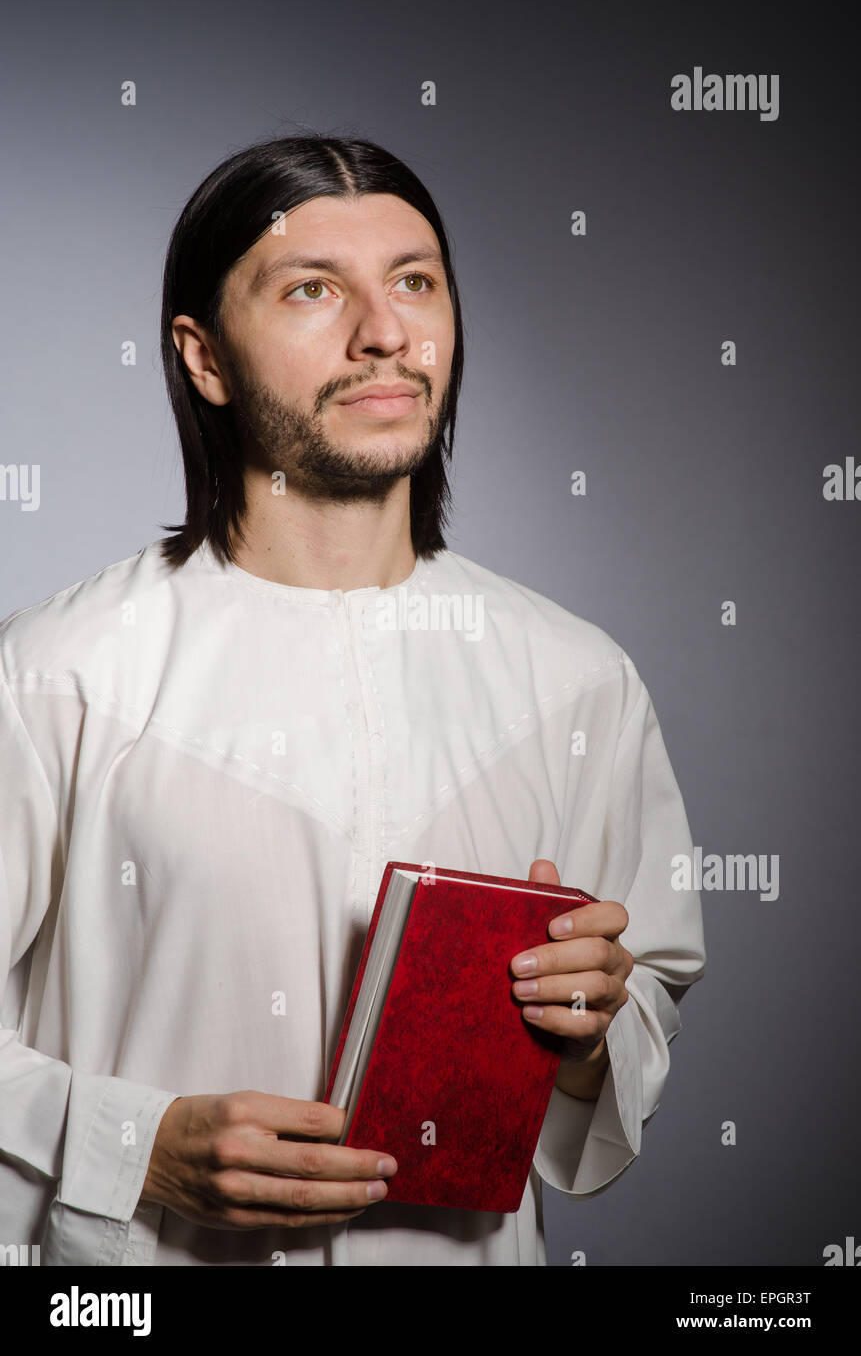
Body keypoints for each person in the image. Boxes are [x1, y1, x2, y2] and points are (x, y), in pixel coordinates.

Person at [0, 133, 705, 1267]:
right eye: (313, 289)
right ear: (206, 357)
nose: (387, 333)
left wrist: (592, 1029)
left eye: (415, 282)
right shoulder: (56, 673)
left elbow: (644, 1012)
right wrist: (139, 1144)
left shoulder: (576, 680)